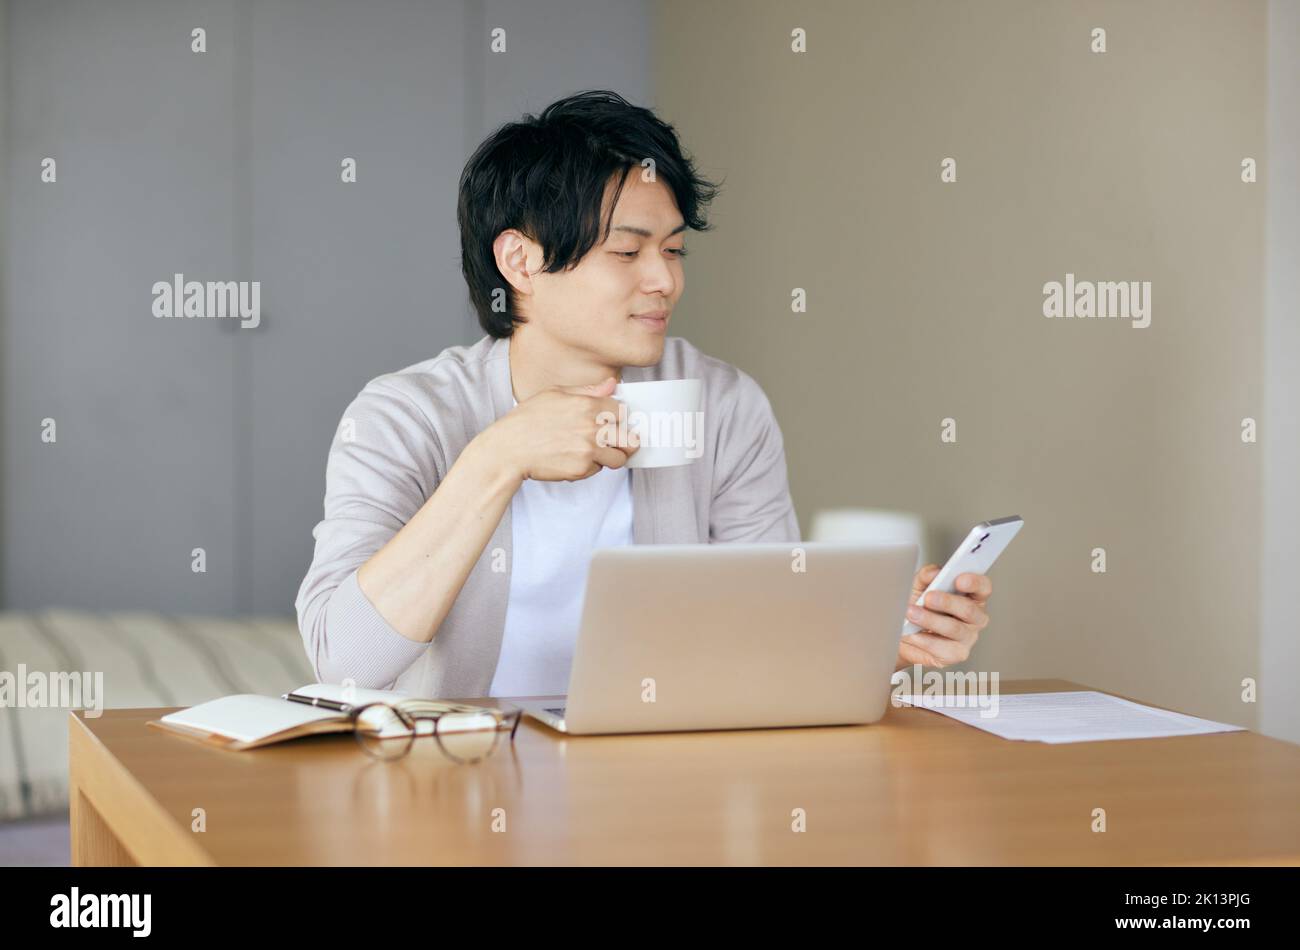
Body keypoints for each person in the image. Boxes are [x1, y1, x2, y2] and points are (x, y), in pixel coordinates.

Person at [295, 90, 993, 698]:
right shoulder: (402, 417)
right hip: (457, 793)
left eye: (675, 250)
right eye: (628, 253)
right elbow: (346, 663)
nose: (664, 280)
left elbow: (772, 635)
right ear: (521, 261)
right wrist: (496, 458)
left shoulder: (723, 405)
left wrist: (885, 640)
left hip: (663, 786)